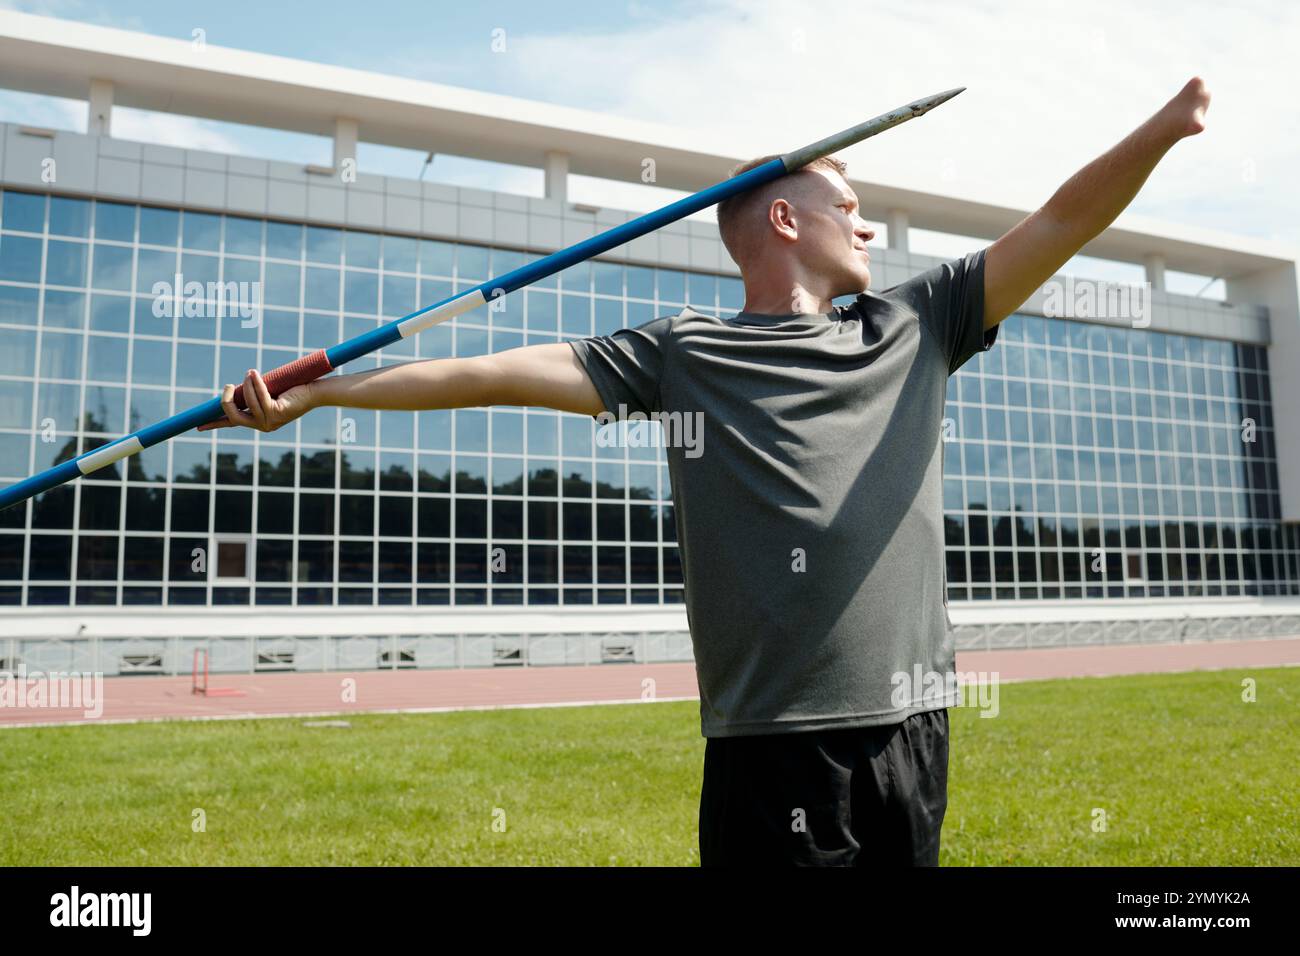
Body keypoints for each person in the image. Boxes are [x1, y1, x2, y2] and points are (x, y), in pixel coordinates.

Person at [202, 77, 1211, 866]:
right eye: (848, 206)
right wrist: (324, 394)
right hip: (771, 744)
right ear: (782, 221)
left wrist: (1160, 131)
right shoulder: (684, 353)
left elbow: (1062, 221)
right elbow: (485, 370)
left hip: (911, 724)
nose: (869, 227)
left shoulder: (919, 323)